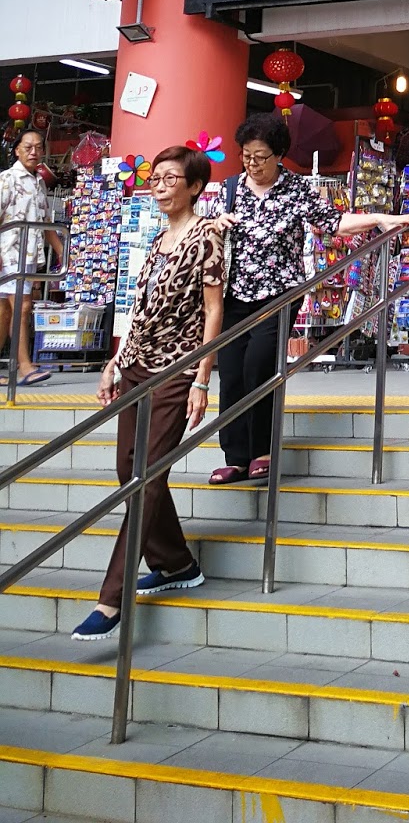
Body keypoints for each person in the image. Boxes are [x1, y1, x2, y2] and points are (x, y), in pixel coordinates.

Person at [71, 146, 225, 642]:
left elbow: (213, 313)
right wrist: (114, 362)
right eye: (154, 177)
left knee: (146, 478)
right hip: (136, 366)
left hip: (177, 370)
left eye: (170, 178)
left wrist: (202, 378)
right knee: (127, 470)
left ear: (194, 186)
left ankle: (111, 599)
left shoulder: (209, 237)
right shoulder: (158, 242)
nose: (158, 185)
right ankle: (175, 562)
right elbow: (139, 310)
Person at [211, 113, 409, 484]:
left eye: (261, 156)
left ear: (279, 155)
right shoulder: (231, 188)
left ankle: (262, 450)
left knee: (259, 367)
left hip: (281, 292)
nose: (252, 164)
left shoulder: (297, 189)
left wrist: (381, 218)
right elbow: (203, 228)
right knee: (233, 373)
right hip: (237, 292)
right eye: (246, 156)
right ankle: (235, 456)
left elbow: (334, 222)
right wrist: (213, 225)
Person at [0, 128, 62, 386]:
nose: (34, 152)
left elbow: (45, 221)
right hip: (8, 253)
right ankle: (24, 367)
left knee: (4, 311)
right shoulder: (7, 179)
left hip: (28, 254)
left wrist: (61, 251)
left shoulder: (38, 181)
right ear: (17, 150)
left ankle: (21, 366)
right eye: (28, 147)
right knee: (22, 307)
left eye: (39, 147)